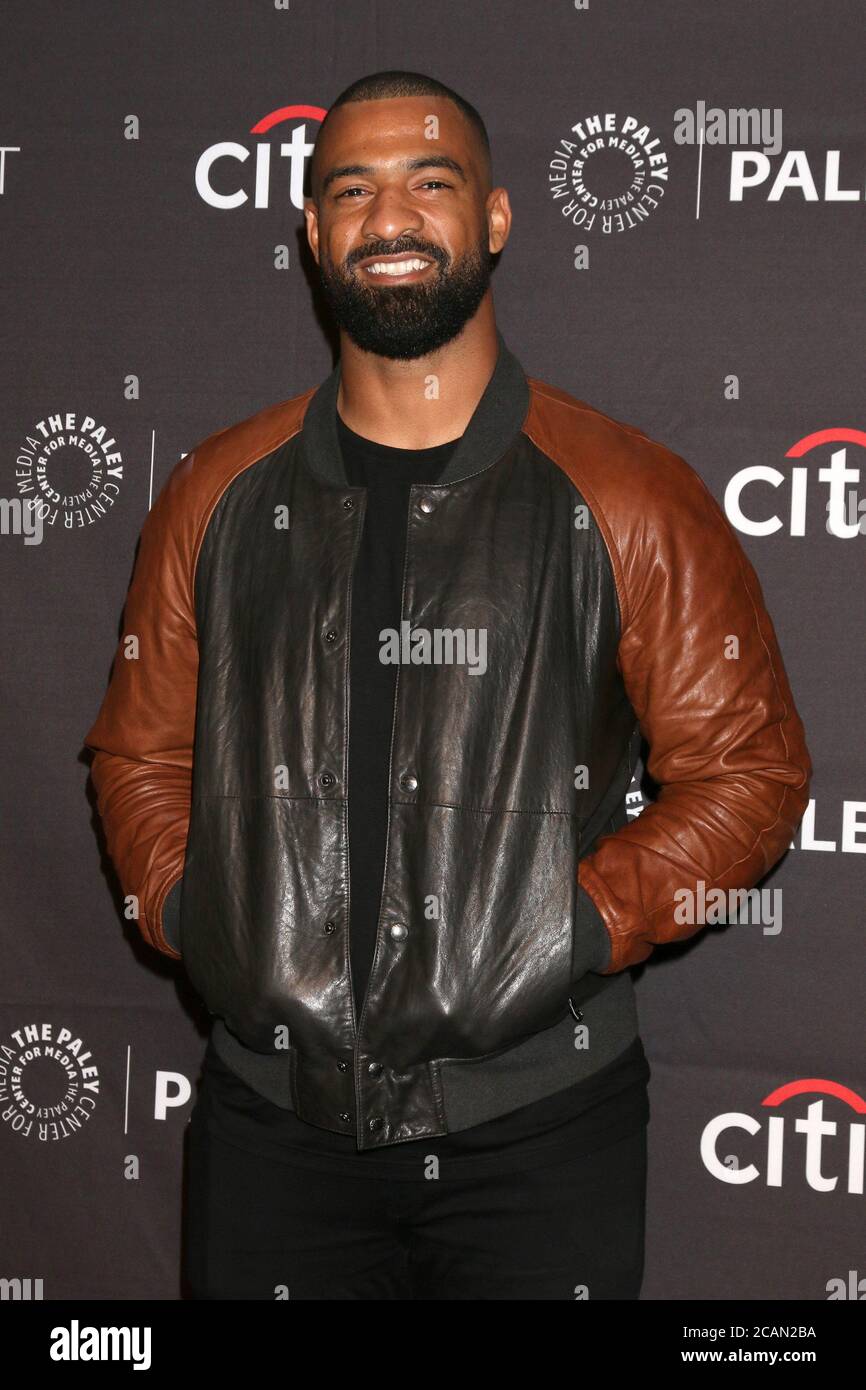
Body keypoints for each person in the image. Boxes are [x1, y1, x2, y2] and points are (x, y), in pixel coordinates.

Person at [83, 69, 812, 1301]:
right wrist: (187, 905)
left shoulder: (629, 494)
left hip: (540, 1123)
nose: (391, 216)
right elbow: (138, 753)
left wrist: (561, 929)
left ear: (495, 219)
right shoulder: (216, 492)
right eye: (351, 189)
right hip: (271, 1120)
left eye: (432, 181)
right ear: (310, 232)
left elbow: (749, 773)